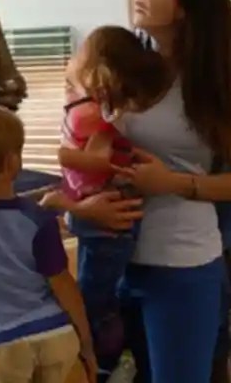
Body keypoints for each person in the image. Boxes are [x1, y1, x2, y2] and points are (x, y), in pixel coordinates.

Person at [135, 0, 231, 383]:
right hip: (140, 255)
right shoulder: (139, 65)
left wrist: (175, 186)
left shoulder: (218, 79)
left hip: (203, 247)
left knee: (221, 352)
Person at [46, 26, 173, 382]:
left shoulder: (96, 115)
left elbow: (102, 161)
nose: (71, 59)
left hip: (106, 216)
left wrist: (63, 157)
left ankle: (112, 359)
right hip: (94, 215)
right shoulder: (86, 108)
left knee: (95, 297)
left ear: (96, 70)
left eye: (81, 54)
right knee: (93, 290)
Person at [0, 106, 98, 383]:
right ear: (13, 162)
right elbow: (62, 283)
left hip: (4, 339)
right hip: (55, 332)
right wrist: (86, 341)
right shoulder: (36, 219)